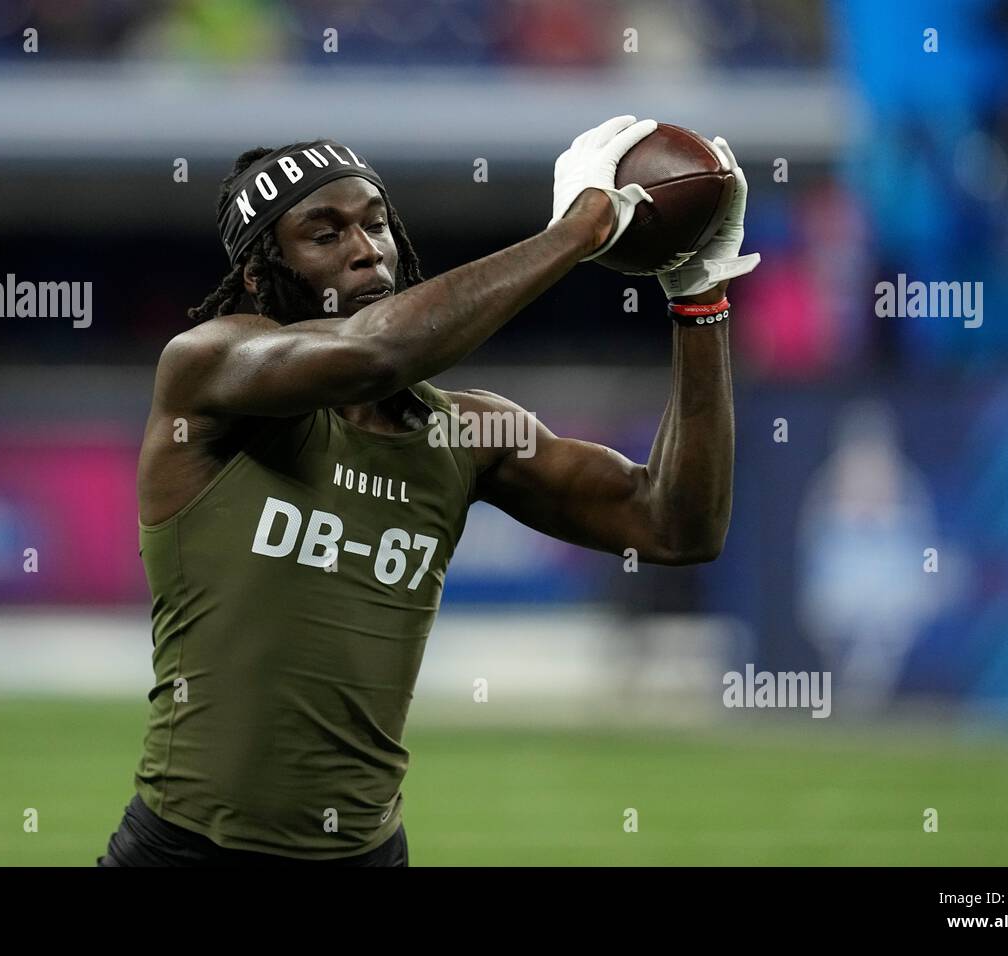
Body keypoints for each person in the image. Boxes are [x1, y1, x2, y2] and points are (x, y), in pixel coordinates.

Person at [97, 116, 759, 866]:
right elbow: (374, 352)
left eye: (376, 223)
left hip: (368, 853)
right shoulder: (209, 370)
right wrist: (579, 229)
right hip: (187, 852)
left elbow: (675, 525)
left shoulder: (465, 435)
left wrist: (700, 299)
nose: (365, 249)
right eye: (326, 233)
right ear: (260, 274)